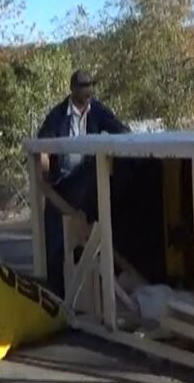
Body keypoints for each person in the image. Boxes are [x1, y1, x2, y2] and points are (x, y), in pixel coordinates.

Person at [34, 69, 129, 297]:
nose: (88, 91)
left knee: (109, 213)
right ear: (73, 89)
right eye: (83, 86)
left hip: (88, 178)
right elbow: (42, 144)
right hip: (63, 181)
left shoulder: (97, 110)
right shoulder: (58, 114)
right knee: (55, 236)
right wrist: (45, 168)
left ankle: (108, 289)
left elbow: (121, 129)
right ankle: (55, 295)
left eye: (90, 85)